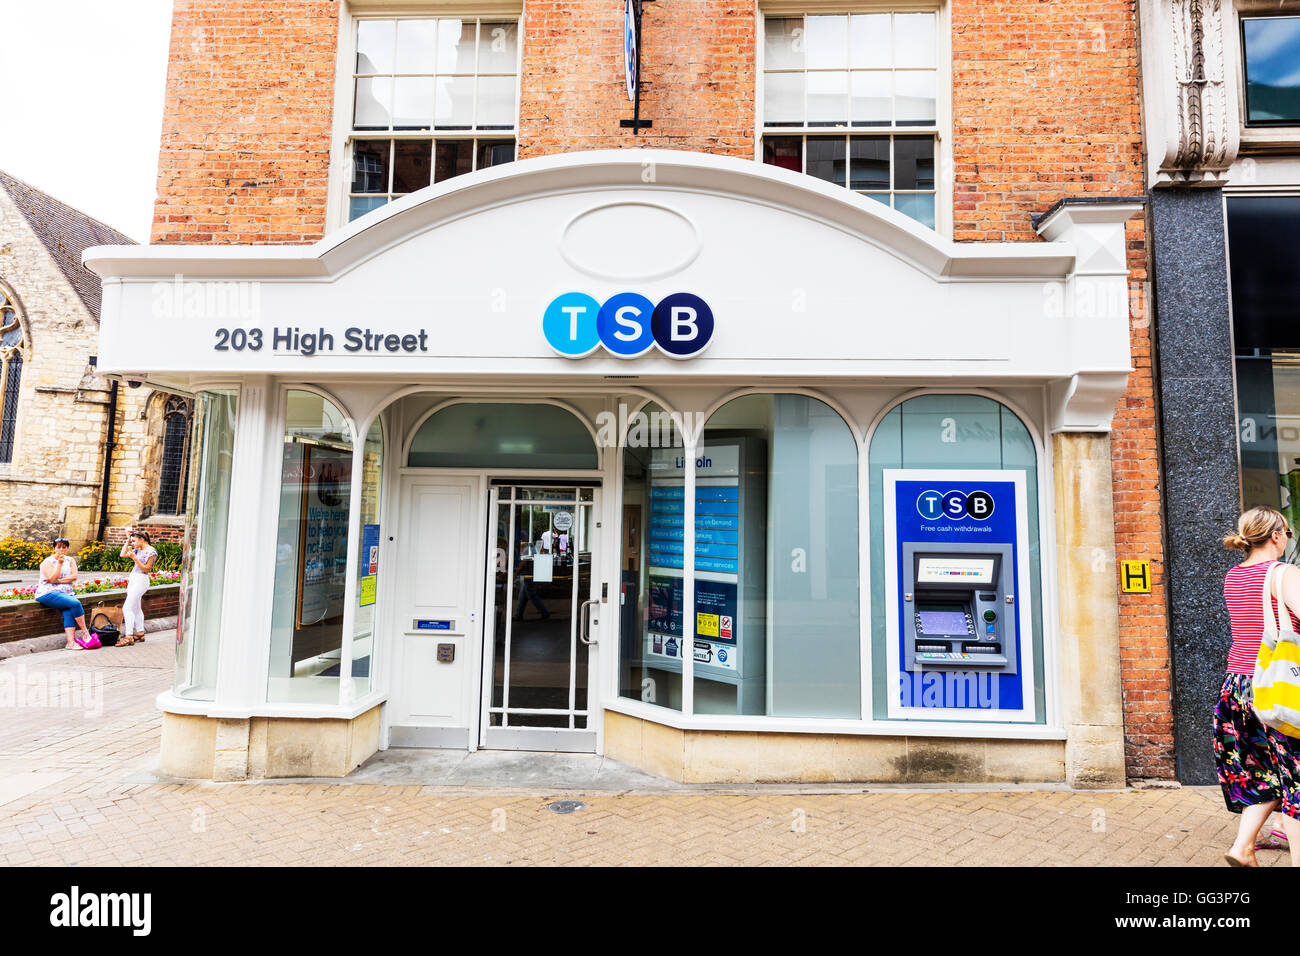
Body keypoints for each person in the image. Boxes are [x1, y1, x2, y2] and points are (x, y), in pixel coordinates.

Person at [1219, 506, 1300, 866]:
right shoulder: (1284, 573)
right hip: (1278, 687)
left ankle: (1242, 847)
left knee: (1264, 773)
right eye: (1288, 533)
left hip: (1237, 685)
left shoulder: (1233, 576)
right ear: (1277, 536)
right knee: (1296, 782)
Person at [35, 538, 93, 649]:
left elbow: (74, 577)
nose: (61, 549)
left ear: (67, 548)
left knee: (68, 611)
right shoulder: (47, 562)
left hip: (66, 593)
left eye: (64, 547)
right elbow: (52, 579)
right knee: (75, 604)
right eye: (59, 547)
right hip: (48, 593)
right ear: (54, 548)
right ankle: (85, 632)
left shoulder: (70, 560)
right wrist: (59, 564)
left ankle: (70, 643)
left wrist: (59, 581)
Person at [118, 529, 157, 646]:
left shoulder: (151, 552)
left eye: (134, 541)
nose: (133, 543)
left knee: (126, 608)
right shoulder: (138, 549)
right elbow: (122, 554)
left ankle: (128, 636)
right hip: (133, 578)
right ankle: (140, 632)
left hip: (141, 579)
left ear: (141, 539)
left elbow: (146, 569)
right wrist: (127, 541)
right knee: (135, 607)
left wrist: (135, 558)